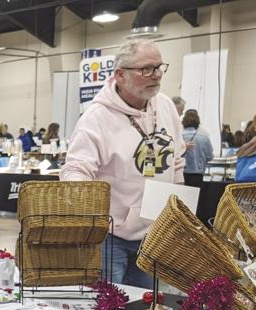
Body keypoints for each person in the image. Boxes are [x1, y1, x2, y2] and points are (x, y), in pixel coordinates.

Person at [61, 39, 184, 289]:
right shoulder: (96, 118)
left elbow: (177, 159)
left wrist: (177, 207)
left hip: (154, 234)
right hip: (110, 237)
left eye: (159, 67)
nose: (156, 75)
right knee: (108, 306)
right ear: (120, 75)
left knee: (147, 305)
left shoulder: (166, 106)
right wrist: (86, 216)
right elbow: (75, 170)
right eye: (146, 69)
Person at [181, 109, 213, 188]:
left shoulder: (178, 136)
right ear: (198, 122)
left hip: (181, 172)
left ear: (184, 121)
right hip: (197, 174)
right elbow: (210, 156)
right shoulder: (204, 137)